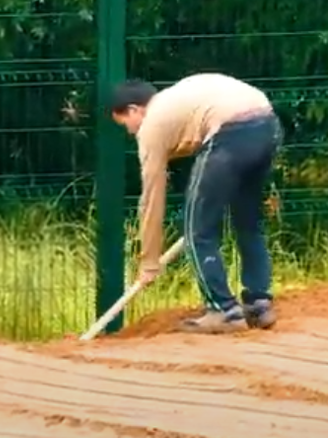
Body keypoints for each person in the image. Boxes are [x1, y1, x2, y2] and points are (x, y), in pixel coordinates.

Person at [109, 74, 282, 334]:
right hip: (268, 126)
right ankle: (259, 303)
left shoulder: (152, 124)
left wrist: (149, 262)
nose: (130, 131)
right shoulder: (178, 100)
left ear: (135, 109)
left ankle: (223, 310)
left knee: (196, 229)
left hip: (230, 133)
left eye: (125, 124)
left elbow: (152, 198)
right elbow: (189, 141)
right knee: (248, 221)